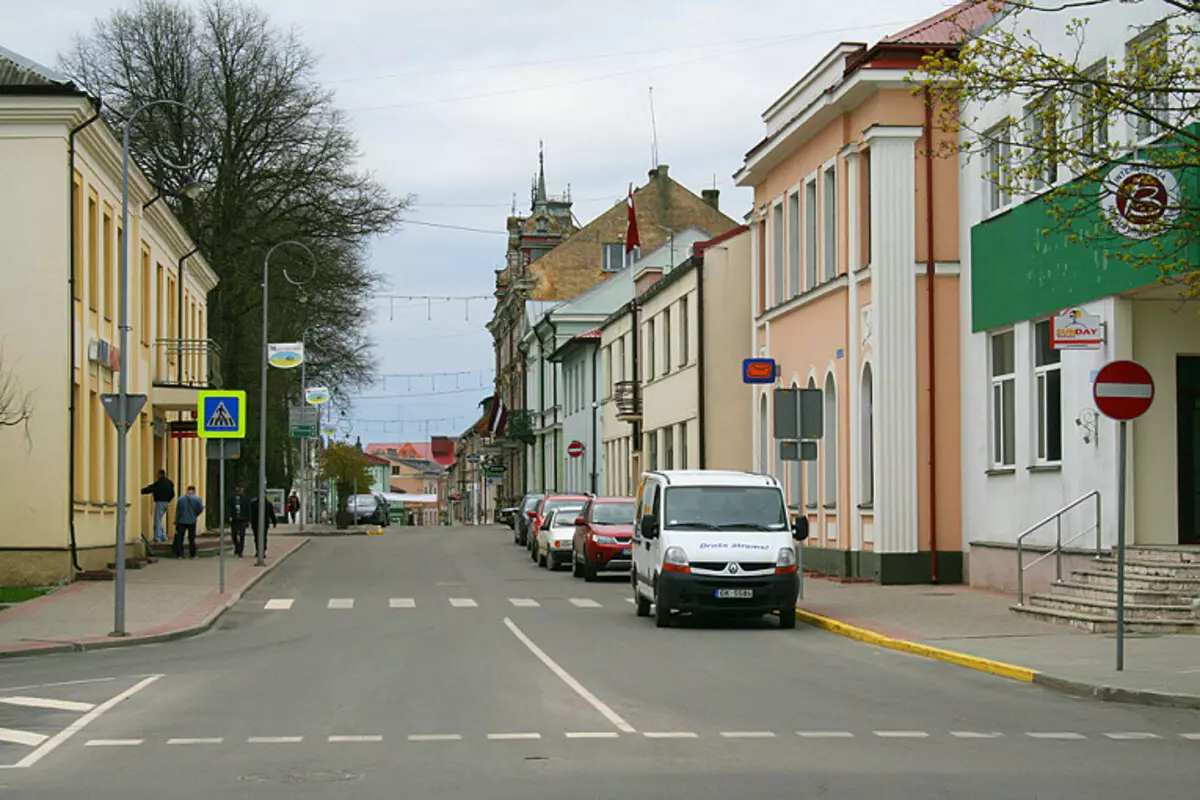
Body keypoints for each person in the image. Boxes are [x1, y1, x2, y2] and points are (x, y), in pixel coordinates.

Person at [141, 469, 175, 543]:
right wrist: (168, 500)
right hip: (166, 503)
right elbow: (173, 494)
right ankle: (163, 536)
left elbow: (151, 488)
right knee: (159, 519)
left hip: (160, 502)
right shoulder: (169, 483)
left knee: (157, 520)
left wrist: (141, 491)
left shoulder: (159, 483)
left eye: (157, 474)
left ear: (160, 475)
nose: (156, 476)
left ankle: (157, 537)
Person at [173, 485, 204, 559]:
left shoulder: (181, 499)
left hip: (181, 521)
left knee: (180, 538)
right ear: (194, 491)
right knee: (191, 538)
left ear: (187, 490)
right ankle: (192, 554)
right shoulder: (197, 499)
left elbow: (178, 511)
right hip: (192, 520)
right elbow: (200, 509)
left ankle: (180, 554)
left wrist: (176, 520)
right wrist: (195, 514)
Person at [249, 493, 277, 560]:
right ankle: (258, 551)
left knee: (263, 537)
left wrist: (274, 521)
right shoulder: (253, 503)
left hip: (264, 523)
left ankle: (262, 551)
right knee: (257, 537)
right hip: (255, 523)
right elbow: (250, 513)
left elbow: (271, 513)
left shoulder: (268, 503)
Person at [226, 486, 250, 557]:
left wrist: (248, 520)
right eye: (238, 488)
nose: (240, 489)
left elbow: (248, 509)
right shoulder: (231, 497)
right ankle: (237, 546)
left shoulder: (246, 498)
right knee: (234, 534)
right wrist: (229, 515)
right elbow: (228, 507)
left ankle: (241, 551)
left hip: (243, 519)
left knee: (242, 535)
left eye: (241, 488)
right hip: (234, 519)